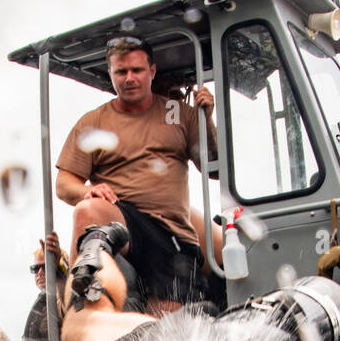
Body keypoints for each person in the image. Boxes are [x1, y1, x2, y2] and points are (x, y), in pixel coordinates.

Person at [55, 34, 223, 315]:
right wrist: (87, 191)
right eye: (121, 71)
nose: (129, 78)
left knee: (167, 321)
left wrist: (206, 119)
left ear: (152, 72)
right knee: (88, 210)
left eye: (137, 70)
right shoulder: (93, 122)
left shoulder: (179, 114)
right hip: (124, 220)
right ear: (111, 73)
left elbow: (214, 168)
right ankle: (81, 303)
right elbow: (63, 185)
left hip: (172, 234)